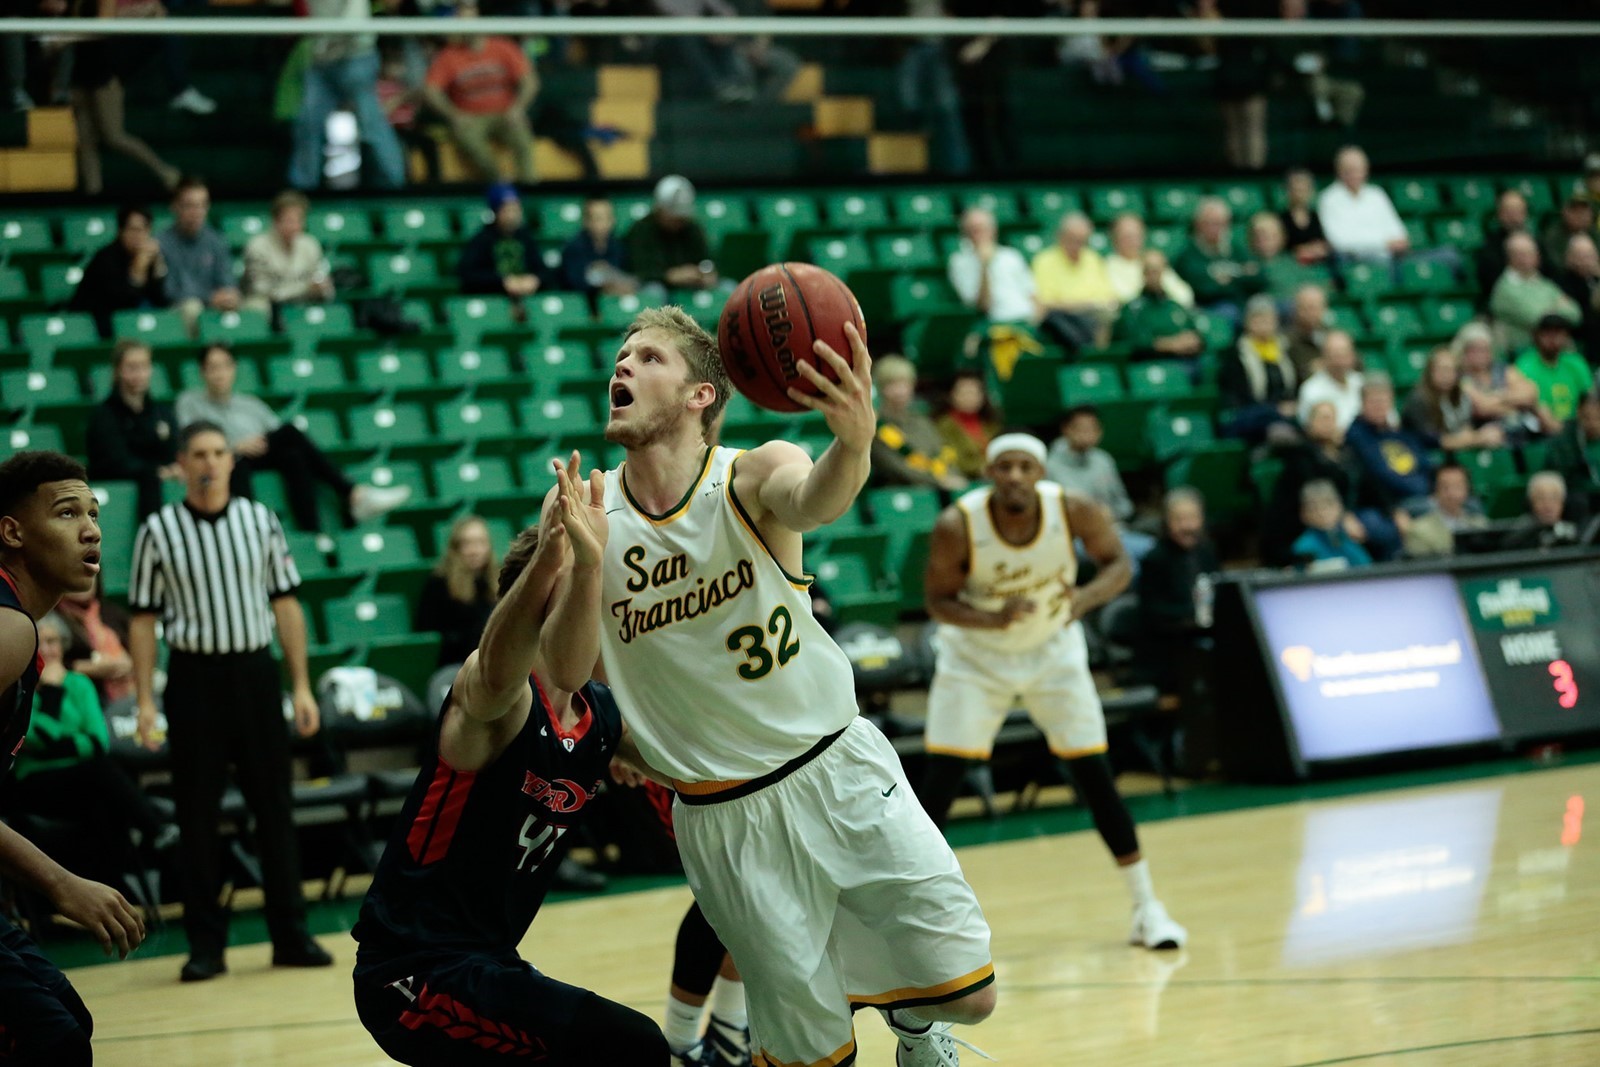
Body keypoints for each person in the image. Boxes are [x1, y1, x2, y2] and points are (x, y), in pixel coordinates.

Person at [588, 307, 996, 1065]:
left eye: (647, 357)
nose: (622, 367)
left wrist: (855, 440)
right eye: (620, 357)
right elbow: (572, 658)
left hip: (836, 766)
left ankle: (914, 1028)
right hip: (723, 814)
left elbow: (816, 499)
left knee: (970, 994)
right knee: (809, 1056)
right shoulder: (591, 514)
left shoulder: (748, 472)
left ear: (700, 395)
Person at [351, 462, 672, 1066]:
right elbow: (498, 666)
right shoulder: (497, 694)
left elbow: (691, 764)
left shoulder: (600, 716)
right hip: (414, 975)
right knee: (632, 1047)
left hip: (488, 964)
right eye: (584, 583)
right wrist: (554, 551)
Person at [920, 433, 1187, 951]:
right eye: (1004, 467)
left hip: (1053, 654)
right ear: (991, 474)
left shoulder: (1075, 509)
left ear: (1039, 473)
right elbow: (936, 601)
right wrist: (992, 618)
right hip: (977, 658)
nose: (1015, 475)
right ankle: (906, 920)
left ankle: (1147, 908)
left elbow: (1119, 564)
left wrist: (1085, 597)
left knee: (1095, 776)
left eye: (1024, 466)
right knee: (939, 787)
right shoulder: (958, 524)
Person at [128, 421, 333, 982]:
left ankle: (290, 935)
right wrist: (146, 701)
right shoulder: (157, 529)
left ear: (230, 460)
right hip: (193, 680)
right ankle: (206, 946)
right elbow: (143, 620)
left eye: (220, 452)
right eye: (199, 453)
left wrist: (301, 684)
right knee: (197, 816)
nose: (211, 462)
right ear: (182, 462)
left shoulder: (260, 520)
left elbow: (287, 604)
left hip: (254, 675)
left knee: (275, 809)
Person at [0, 450, 146, 1065]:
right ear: (12, 531)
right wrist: (60, 884)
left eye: (93, 513)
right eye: (66, 513)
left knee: (65, 1022)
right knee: (49, 1038)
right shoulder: (10, 629)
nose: (90, 528)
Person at [175, 343, 411, 532]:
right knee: (271, 446)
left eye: (225, 366)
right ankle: (353, 493)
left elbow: (277, 432)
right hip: (228, 462)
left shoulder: (250, 404)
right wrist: (235, 446)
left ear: (234, 368)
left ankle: (314, 533)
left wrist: (256, 443)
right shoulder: (189, 402)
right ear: (202, 371)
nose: (219, 373)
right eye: (213, 367)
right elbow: (192, 443)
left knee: (293, 452)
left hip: (262, 455)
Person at [12, 612, 175, 878]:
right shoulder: (20, 688)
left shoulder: (79, 684)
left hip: (81, 785)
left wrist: (58, 745)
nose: (48, 649)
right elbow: (36, 739)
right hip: (35, 783)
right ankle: (156, 830)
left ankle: (109, 890)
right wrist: (52, 692)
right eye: (41, 642)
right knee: (100, 773)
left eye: (53, 641)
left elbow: (99, 741)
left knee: (108, 807)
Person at [289, 0, 407, 191]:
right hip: (322, 59)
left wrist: (329, 43)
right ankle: (301, 191)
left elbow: (353, 15)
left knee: (371, 124)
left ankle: (396, 186)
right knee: (308, 123)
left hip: (356, 56)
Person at [423, 3, 538, 182]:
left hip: (505, 113)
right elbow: (431, 90)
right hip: (471, 117)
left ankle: (530, 189)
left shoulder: (503, 47)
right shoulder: (449, 55)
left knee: (522, 139)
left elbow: (530, 82)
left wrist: (518, 108)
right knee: (469, 139)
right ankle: (500, 187)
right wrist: (453, 114)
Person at [1136, 487, 1218, 697]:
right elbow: (1152, 612)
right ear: (1166, 522)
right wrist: (1192, 616)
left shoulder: (1207, 552)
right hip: (1167, 650)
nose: (1187, 526)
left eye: (1192, 518)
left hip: (1202, 639)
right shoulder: (1155, 559)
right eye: (1179, 519)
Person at [1045, 404, 1155, 562]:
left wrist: (1111, 514)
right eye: (1081, 428)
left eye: (1092, 429)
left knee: (1155, 551)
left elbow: (1124, 505)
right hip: (1073, 538)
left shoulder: (1104, 461)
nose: (1087, 434)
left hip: (1112, 531)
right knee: (1126, 564)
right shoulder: (1050, 466)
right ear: (1066, 429)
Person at [86, 339, 181, 520]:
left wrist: (174, 468)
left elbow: (173, 449)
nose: (139, 374)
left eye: (144, 366)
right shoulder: (104, 415)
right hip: (119, 490)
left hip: (158, 485)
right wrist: (156, 471)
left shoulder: (162, 412)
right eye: (131, 367)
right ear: (117, 370)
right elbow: (115, 461)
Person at [69, 204, 170, 339]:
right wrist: (138, 271)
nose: (138, 236)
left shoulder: (149, 256)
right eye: (133, 230)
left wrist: (158, 267)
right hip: (97, 323)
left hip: (133, 324)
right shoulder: (105, 258)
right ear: (120, 230)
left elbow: (160, 302)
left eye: (143, 230)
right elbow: (121, 304)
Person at [157, 177, 241, 337]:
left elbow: (227, 278)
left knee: (255, 308)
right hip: (176, 310)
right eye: (190, 206)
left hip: (214, 305)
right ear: (175, 207)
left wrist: (229, 295)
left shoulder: (216, 240)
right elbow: (169, 291)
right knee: (192, 307)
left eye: (202, 205)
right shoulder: (161, 243)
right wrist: (209, 298)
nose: (197, 212)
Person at [870, 354, 966, 491]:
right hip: (902, 493)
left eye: (905, 384)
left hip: (940, 489)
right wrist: (940, 481)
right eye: (892, 385)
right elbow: (896, 468)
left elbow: (942, 452)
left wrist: (954, 476)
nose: (900, 391)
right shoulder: (877, 426)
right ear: (881, 388)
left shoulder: (921, 421)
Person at [1345, 373, 1434, 517]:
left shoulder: (1400, 433)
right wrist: (1419, 489)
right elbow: (1380, 474)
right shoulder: (1357, 435)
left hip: (1418, 496)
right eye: (1374, 402)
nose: (1379, 406)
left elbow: (1424, 463)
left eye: (1383, 401)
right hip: (1386, 505)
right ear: (1362, 403)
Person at [417, 514, 498, 668]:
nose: (475, 551)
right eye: (467, 544)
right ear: (456, 548)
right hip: (455, 666)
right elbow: (429, 635)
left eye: (480, 543)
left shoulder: (497, 580)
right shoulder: (439, 583)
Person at [1032, 211, 1119, 352]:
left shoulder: (1093, 258)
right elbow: (1045, 303)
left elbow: (1108, 298)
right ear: (1060, 237)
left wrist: (1089, 305)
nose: (1077, 245)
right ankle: (1087, 356)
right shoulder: (1044, 261)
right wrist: (1084, 304)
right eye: (1072, 240)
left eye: (1082, 241)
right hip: (1064, 317)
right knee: (1055, 318)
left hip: (1093, 316)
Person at [1219, 294, 1299, 443]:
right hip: (1251, 415)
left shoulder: (1286, 349)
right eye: (1258, 319)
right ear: (1247, 322)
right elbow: (1237, 397)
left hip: (1286, 412)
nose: (1264, 325)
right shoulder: (1236, 354)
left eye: (1268, 320)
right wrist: (1276, 410)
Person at [626, 175, 721, 299]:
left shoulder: (692, 228)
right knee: (654, 291)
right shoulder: (642, 229)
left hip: (692, 284)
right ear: (659, 209)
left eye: (681, 216)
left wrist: (706, 274)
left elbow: (706, 260)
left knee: (727, 287)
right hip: (657, 284)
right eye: (673, 215)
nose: (678, 221)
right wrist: (669, 276)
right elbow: (639, 271)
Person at [241, 190, 334, 314]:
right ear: (276, 221)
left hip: (301, 305)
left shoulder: (310, 244)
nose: (295, 226)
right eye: (289, 220)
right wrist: (304, 289)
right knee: (258, 306)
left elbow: (323, 284)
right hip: (269, 308)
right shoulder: (257, 246)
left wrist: (322, 288)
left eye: (299, 220)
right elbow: (263, 290)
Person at [1454, 320, 1549, 437]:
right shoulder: (1461, 377)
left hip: (1518, 426)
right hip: (1485, 431)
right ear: (1463, 351)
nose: (1481, 355)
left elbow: (1530, 394)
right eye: (1475, 350)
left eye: (1484, 349)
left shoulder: (1504, 370)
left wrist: (1496, 396)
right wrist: (1514, 406)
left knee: (1545, 414)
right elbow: (1483, 407)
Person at [1172, 197, 1263, 319]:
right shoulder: (1188, 254)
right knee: (1228, 312)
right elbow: (1203, 289)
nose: (1216, 228)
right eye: (1210, 223)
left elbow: (1260, 277)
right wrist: (1240, 275)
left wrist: (1228, 280)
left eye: (1220, 223)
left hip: (1243, 303)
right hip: (1209, 309)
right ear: (1198, 224)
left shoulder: (1237, 249)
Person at [1489, 234, 1580, 354]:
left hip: (1555, 349)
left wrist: (1548, 311)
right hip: (1523, 352)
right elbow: (1536, 318)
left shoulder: (1545, 284)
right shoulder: (1504, 289)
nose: (1526, 258)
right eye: (1520, 254)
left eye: (1531, 253)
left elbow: (1575, 313)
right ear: (1509, 258)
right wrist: (1557, 306)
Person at [1316, 145, 1409, 263]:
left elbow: (1399, 235)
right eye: (1350, 170)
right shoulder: (1328, 198)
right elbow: (1339, 242)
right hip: (1353, 262)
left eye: (1359, 169)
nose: (1355, 174)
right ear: (1339, 170)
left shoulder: (1376, 194)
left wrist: (1387, 244)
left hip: (1389, 259)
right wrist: (1383, 243)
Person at [1402, 347, 1507, 451]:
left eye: (1452, 370)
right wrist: (1477, 439)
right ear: (1430, 371)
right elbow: (1436, 441)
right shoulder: (1418, 400)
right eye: (1442, 369)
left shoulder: (1459, 395)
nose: (1446, 375)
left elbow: (1466, 427)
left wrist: (1482, 435)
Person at [949, 204, 1037, 324]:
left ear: (993, 230)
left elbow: (1033, 295)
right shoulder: (959, 262)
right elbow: (982, 307)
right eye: (973, 230)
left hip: (1027, 319)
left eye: (982, 229)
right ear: (965, 234)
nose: (978, 235)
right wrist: (984, 266)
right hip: (995, 323)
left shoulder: (1011, 255)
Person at [459, 182, 549, 298]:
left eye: (516, 209)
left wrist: (535, 279)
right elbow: (469, 275)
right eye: (507, 210)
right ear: (496, 212)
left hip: (527, 298)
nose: (512, 216)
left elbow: (543, 270)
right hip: (494, 299)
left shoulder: (526, 237)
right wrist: (502, 282)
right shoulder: (482, 240)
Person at [1114, 250, 1204, 362]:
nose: (1153, 275)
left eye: (1157, 270)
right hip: (1152, 363)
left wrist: (1191, 340)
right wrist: (1171, 344)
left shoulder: (1175, 306)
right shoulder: (1133, 309)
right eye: (1149, 270)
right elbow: (1136, 342)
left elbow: (1197, 334)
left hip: (1184, 361)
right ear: (1143, 272)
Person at [55, 582, 135, 705]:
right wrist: (90, 669)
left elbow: (139, 653)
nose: (87, 578)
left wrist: (128, 664)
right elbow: (49, 668)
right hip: (76, 699)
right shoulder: (50, 619)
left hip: (126, 698)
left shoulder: (112, 613)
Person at [1514, 314, 1594, 426]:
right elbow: (1532, 406)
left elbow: (1589, 398)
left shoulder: (1576, 363)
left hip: (1577, 426)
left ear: (1566, 336)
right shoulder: (1525, 365)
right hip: (1541, 428)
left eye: (1558, 333)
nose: (1552, 338)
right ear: (1537, 336)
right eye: (1547, 333)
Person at [1104, 213, 1194, 308]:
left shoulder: (1152, 262)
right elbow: (1123, 298)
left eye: (1136, 236)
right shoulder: (1109, 265)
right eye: (1127, 236)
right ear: (1114, 238)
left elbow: (1185, 295)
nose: (1133, 241)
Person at [1403, 462, 1487, 558]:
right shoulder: (1419, 530)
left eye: (1458, 486)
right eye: (1445, 487)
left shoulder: (1480, 524)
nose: (1452, 493)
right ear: (1435, 490)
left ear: (1467, 489)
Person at [560, 195, 635, 299]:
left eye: (607, 217)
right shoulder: (573, 248)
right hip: (585, 302)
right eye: (597, 218)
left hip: (614, 300)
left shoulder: (618, 247)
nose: (603, 223)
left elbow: (629, 278)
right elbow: (574, 283)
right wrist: (601, 283)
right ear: (586, 221)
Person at [1501, 471, 1596, 551]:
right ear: (1531, 503)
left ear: (1562, 503)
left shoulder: (1574, 532)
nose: (1548, 506)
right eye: (1541, 499)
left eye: (1554, 498)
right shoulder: (1520, 533)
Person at [1291, 479, 1373, 569]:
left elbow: (1366, 565)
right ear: (1303, 514)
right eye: (1314, 508)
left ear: (1340, 506)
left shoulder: (1348, 536)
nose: (1321, 513)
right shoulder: (1303, 546)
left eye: (1328, 505)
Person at [934, 371, 1001, 481]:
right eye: (965, 393)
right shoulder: (943, 426)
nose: (970, 398)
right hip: (965, 479)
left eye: (975, 393)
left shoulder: (990, 424)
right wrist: (980, 468)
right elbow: (952, 459)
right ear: (952, 395)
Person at [1294, 329, 1363, 432]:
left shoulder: (1361, 382)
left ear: (1353, 356)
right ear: (1324, 357)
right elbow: (1308, 429)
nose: (1340, 361)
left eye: (1344, 355)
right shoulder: (1311, 389)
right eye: (1335, 355)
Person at [1250, 211, 1324, 301]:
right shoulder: (1248, 266)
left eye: (1269, 235)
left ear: (1281, 236)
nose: (1263, 239)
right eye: (1258, 235)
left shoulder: (1293, 264)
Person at [1476, 189, 1530, 298]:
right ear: (1500, 214)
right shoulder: (1490, 247)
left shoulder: (1535, 242)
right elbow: (1493, 283)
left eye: (1519, 212)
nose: (1514, 218)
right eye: (1510, 212)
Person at [1547, 391, 1600, 499]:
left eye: (1598, 418)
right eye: (1587, 417)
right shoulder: (1565, 440)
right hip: (1579, 494)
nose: (1592, 423)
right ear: (1578, 413)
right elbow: (1563, 476)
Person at [1556, 233, 1600, 360]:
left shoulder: (1595, 277)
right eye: (1580, 256)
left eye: (1590, 256)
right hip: (1584, 339)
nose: (1586, 261)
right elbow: (1582, 315)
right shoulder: (1564, 281)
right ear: (1569, 258)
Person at [1279, 166, 1331, 265]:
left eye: (1304, 189)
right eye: (1296, 189)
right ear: (1288, 191)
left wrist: (1317, 249)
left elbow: (1325, 244)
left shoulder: (1318, 217)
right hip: (1290, 265)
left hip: (1318, 265)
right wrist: (1300, 251)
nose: (1300, 194)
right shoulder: (1280, 219)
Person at [1285, 282, 1329, 379]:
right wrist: (1308, 370)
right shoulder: (1286, 340)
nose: (1311, 313)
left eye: (1315, 307)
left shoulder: (1331, 337)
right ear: (1296, 309)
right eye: (1306, 308)